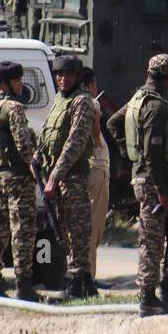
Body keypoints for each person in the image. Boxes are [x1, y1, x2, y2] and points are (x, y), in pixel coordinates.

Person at [109, 53, 168, 317]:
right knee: (152, 240)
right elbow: (153, 153)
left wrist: (129, 154)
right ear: (166, 77)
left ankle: (166, 284)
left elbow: (113, 123)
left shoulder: (136, 100)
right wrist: (162, 191)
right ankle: (147, 297)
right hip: (155, 180)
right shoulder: (155, 106)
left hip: (148, 176)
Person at [0, 61, 40, 301]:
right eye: (16, 80)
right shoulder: (13, 108)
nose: (21, 85)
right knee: (22, 231)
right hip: (17, 179)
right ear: (4, 83)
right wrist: (36, 167)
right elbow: (24, 145)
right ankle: (24, 285)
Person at [39, 55, 98, 299]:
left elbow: (75, 142)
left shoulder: (82, 101)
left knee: (78, 228)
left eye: (68, 75)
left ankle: (78, 280)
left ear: (77, 76)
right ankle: (81, 280)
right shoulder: (58, 100)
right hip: (56, 174)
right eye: (59, 75)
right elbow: (48, 133)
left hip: (71, 176)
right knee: (64, 228)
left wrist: (55, 175)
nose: (63, 79)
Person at [83, 68, 112, 284]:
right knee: (93, 226)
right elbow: (94, 140)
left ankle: (86, 273)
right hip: (96, 169)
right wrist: (97, 116)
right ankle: (88, 276)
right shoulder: (90, 105)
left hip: (89, 170)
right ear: (91, 84)